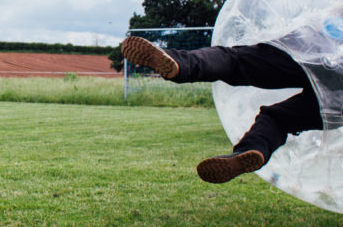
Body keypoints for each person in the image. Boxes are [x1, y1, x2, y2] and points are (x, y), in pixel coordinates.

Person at [121, 35, 322, 184]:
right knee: (279, 119)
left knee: (234, 60)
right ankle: (251, 151)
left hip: (314, 55)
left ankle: (181, 64)